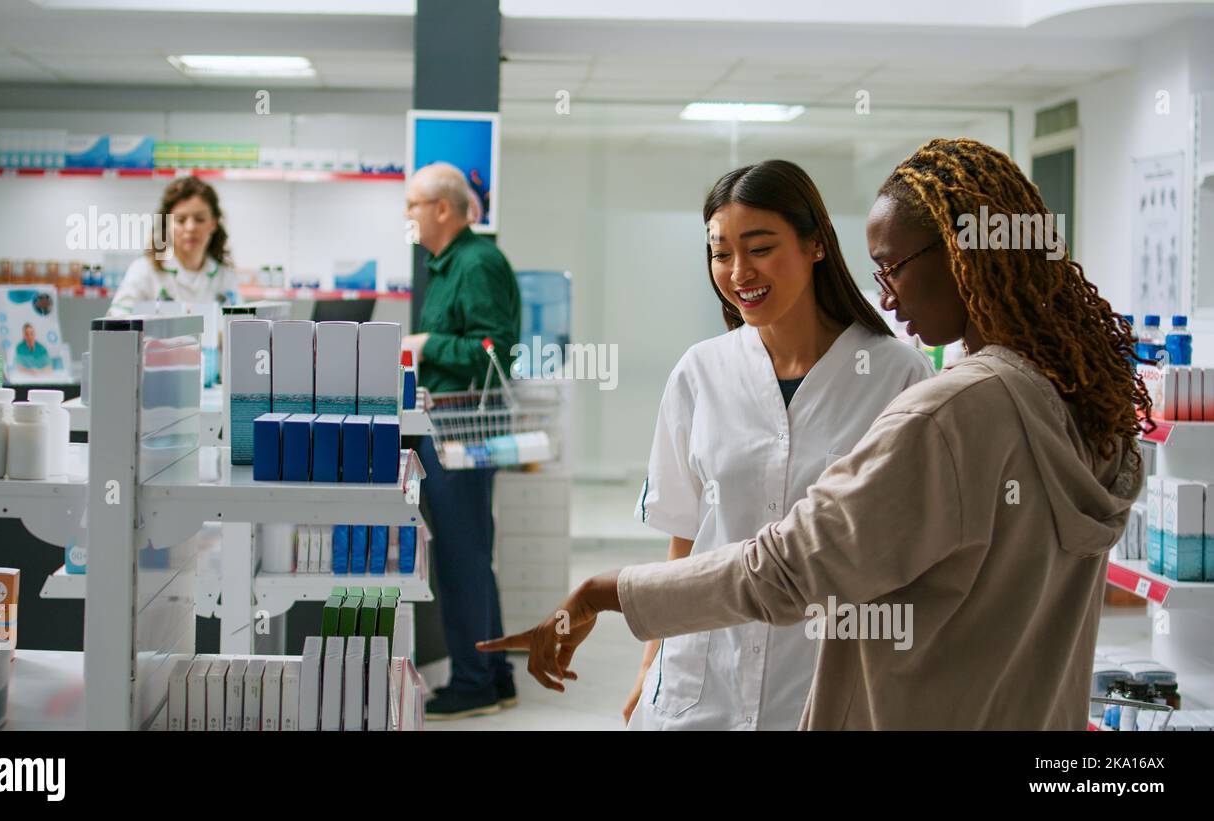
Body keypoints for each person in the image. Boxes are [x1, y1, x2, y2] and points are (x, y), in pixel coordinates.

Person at [482, 138, 1150, 730]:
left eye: (892, 267)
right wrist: (653, 654)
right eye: (720, 252)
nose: (886, 295)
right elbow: (697, 528)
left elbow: (792, 564)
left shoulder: (940, 403)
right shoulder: (1073, 399)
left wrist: (607, 591)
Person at [623, 160, 933, 730]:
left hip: (825, 675)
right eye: (720, 252)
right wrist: (651, 662)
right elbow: (686, 537)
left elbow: (907, 553)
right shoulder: (700, 372)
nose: (739, 271)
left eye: (760, 247)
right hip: (701, 681)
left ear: (815, 244)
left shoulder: (896, 376)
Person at [402, 161, 522, 720]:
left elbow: (495, 349)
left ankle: (474, 680)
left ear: (443, 209)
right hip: (445, 427)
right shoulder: (447, 264)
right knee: (469, 555)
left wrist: (428, 346)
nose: (409, 215)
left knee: (460, 557)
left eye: (414, 205)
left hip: (462, 431)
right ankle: (493, 674)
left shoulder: (477, 263)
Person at [107, 176, 239, 317]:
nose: (190, 227)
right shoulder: (144, 270)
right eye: (181, 220)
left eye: (200, 219)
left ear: (213, 223)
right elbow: (117, 322)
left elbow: (237, 325)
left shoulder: (225, 276)